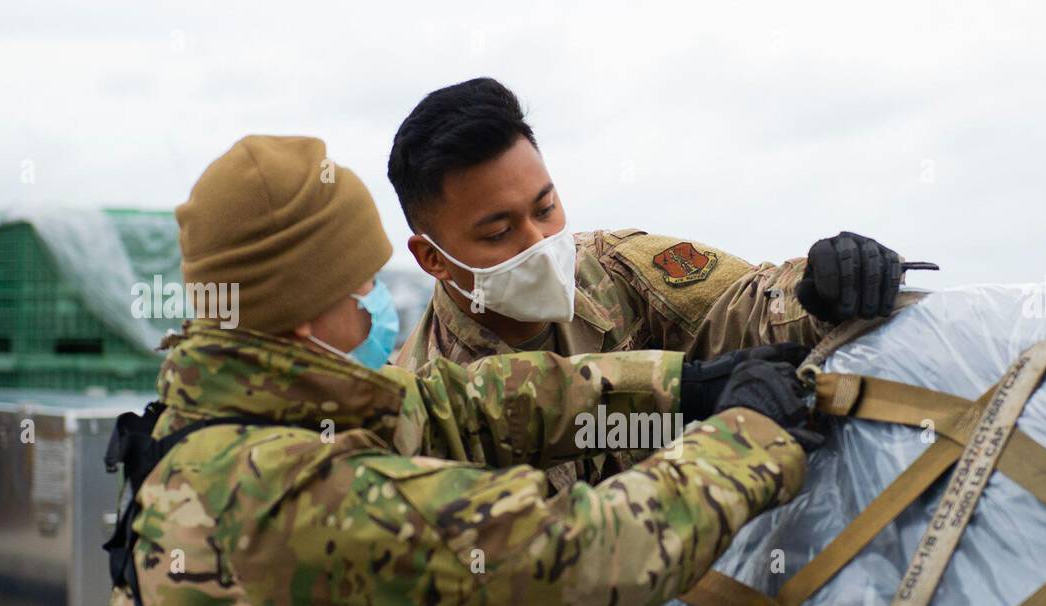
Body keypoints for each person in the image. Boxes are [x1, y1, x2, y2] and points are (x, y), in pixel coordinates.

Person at [82, 134, 819, 606]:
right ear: (306, 314)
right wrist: (745, 439)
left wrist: (678, 388)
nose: (380, 300)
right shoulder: (301, 505)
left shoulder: (220, 413)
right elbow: (581, 562)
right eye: (362, 284)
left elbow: (456, 404)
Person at [386, 79, 908, 486]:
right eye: (499, 232)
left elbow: (742, 305)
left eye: (546, 208)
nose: (540, 241)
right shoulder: (426, 409)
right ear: (433, 259)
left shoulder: (615, 267)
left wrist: (817, 289)